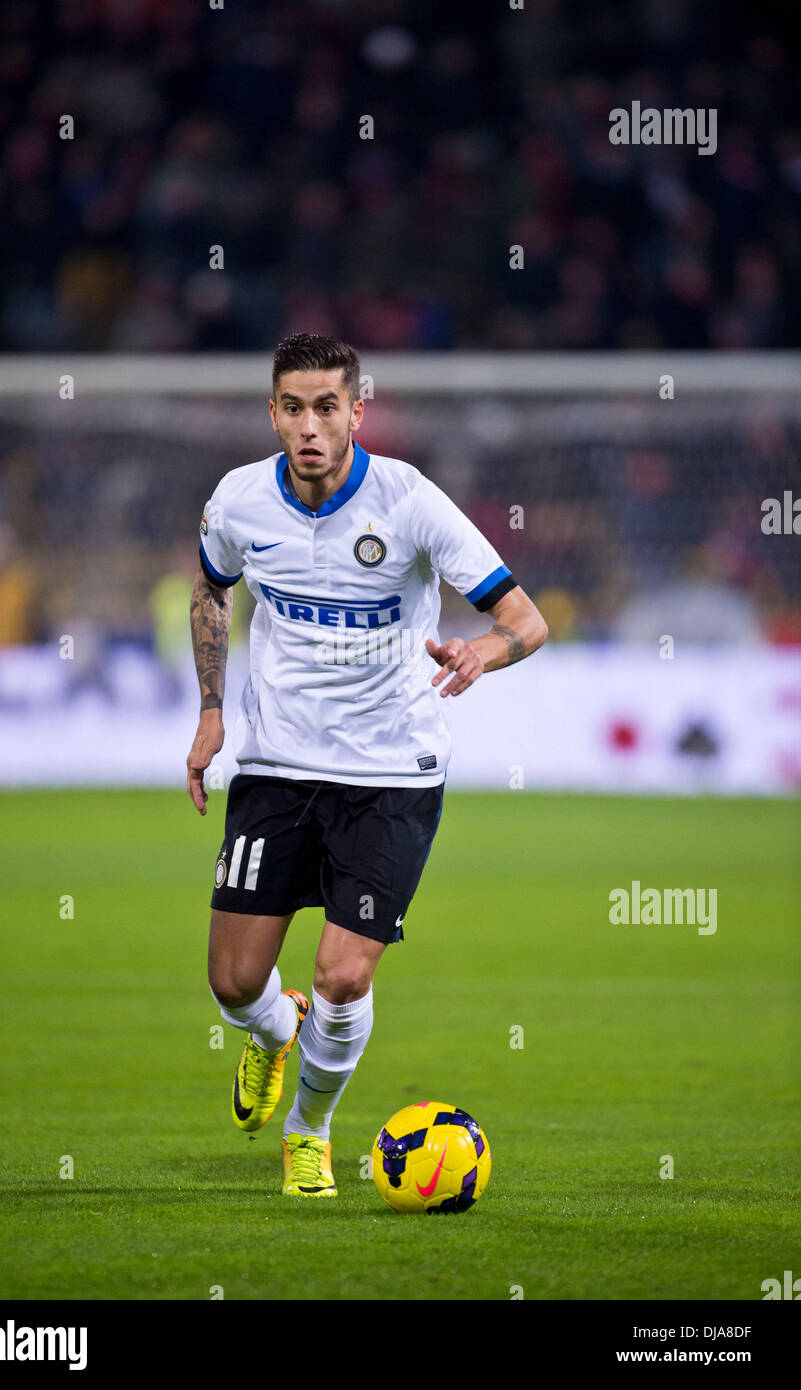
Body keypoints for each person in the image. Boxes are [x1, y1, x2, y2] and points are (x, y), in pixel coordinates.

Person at [185, 333, 548, 1198]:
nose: (310, 424)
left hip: (392, 771)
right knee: (234, 984)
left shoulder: (410, 501)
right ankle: (274, 1033)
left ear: (357, 409)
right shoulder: (237, 500)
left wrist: (480, 654)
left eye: (326, 406)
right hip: (276, 766)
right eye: (293, 407)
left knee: (343, 974)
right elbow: (209, 587)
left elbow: (526, 619)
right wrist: (209, 711)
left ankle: (308, 1132)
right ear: (272, 413)